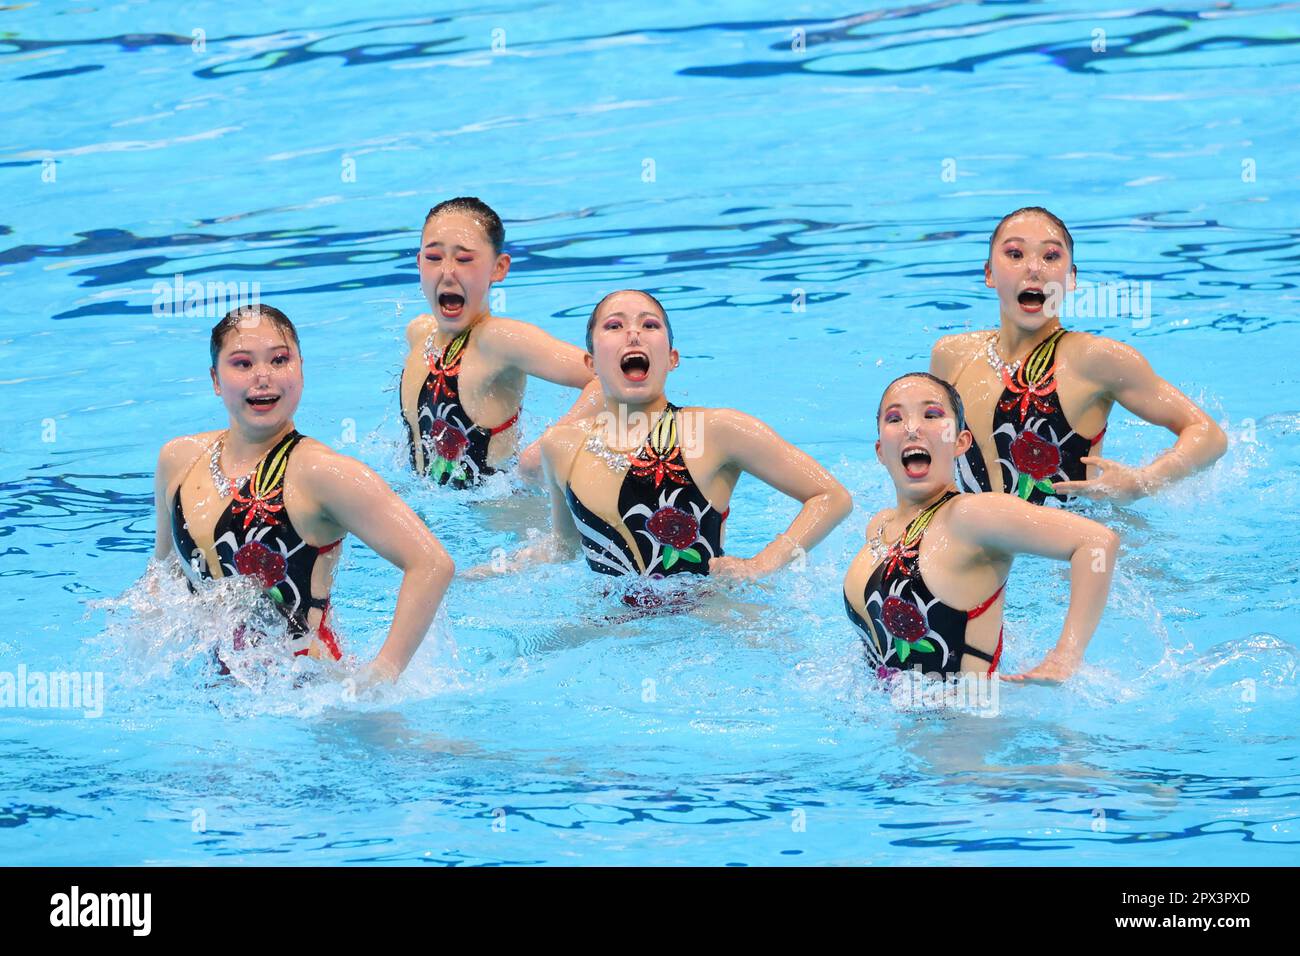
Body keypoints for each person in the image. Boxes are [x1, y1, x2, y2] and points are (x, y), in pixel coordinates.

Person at [153, 304, 454, 682]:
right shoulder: (178, 461)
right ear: (216, 379)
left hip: (312, 695)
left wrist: (380, 677)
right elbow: (162, 575)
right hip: (219, 691)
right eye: (243, 363)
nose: (263, 377)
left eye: (280, 360)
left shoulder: (320, 473)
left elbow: (431, 564)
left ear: (301, 368)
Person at [484, 290, 852, 581]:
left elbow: (831, 497)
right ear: (591, 363)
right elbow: (565, 548)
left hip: (704, 623)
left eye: (649, 325)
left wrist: (762, 563)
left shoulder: (716, 431)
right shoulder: (562, 446)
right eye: (614, 326)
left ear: (672, 358)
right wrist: (492, 570)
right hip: (610, 629)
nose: (633, 334)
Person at [930, 206, 1226, 505]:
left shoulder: (1095, 360)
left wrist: (1142, 482)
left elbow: (1209, 435)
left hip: (1074, 532)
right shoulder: (952, 357)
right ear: (989, 273)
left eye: (1050, 256)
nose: (1033, 268)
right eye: (1015, 254)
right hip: (975, 534)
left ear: (1071, 279)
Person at [844, 372, 1119, 683]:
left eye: (931, 415)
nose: (912, 428)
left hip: (966, 713)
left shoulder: (971, 516)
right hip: (891, 711)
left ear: (961, 442)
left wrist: (1065, 656)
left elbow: (1097, 542)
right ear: (880, 451)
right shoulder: (880, 526)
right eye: (895, 418)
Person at [400, 197, 602, 488]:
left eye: (464, 259)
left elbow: (606, 377)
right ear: (419, 263)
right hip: (427, 507)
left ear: (499, 267)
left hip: (498, 512)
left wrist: (546, 448)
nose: (447, 272)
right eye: (433, 258)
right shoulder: (419, 333)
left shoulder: (499, 341)